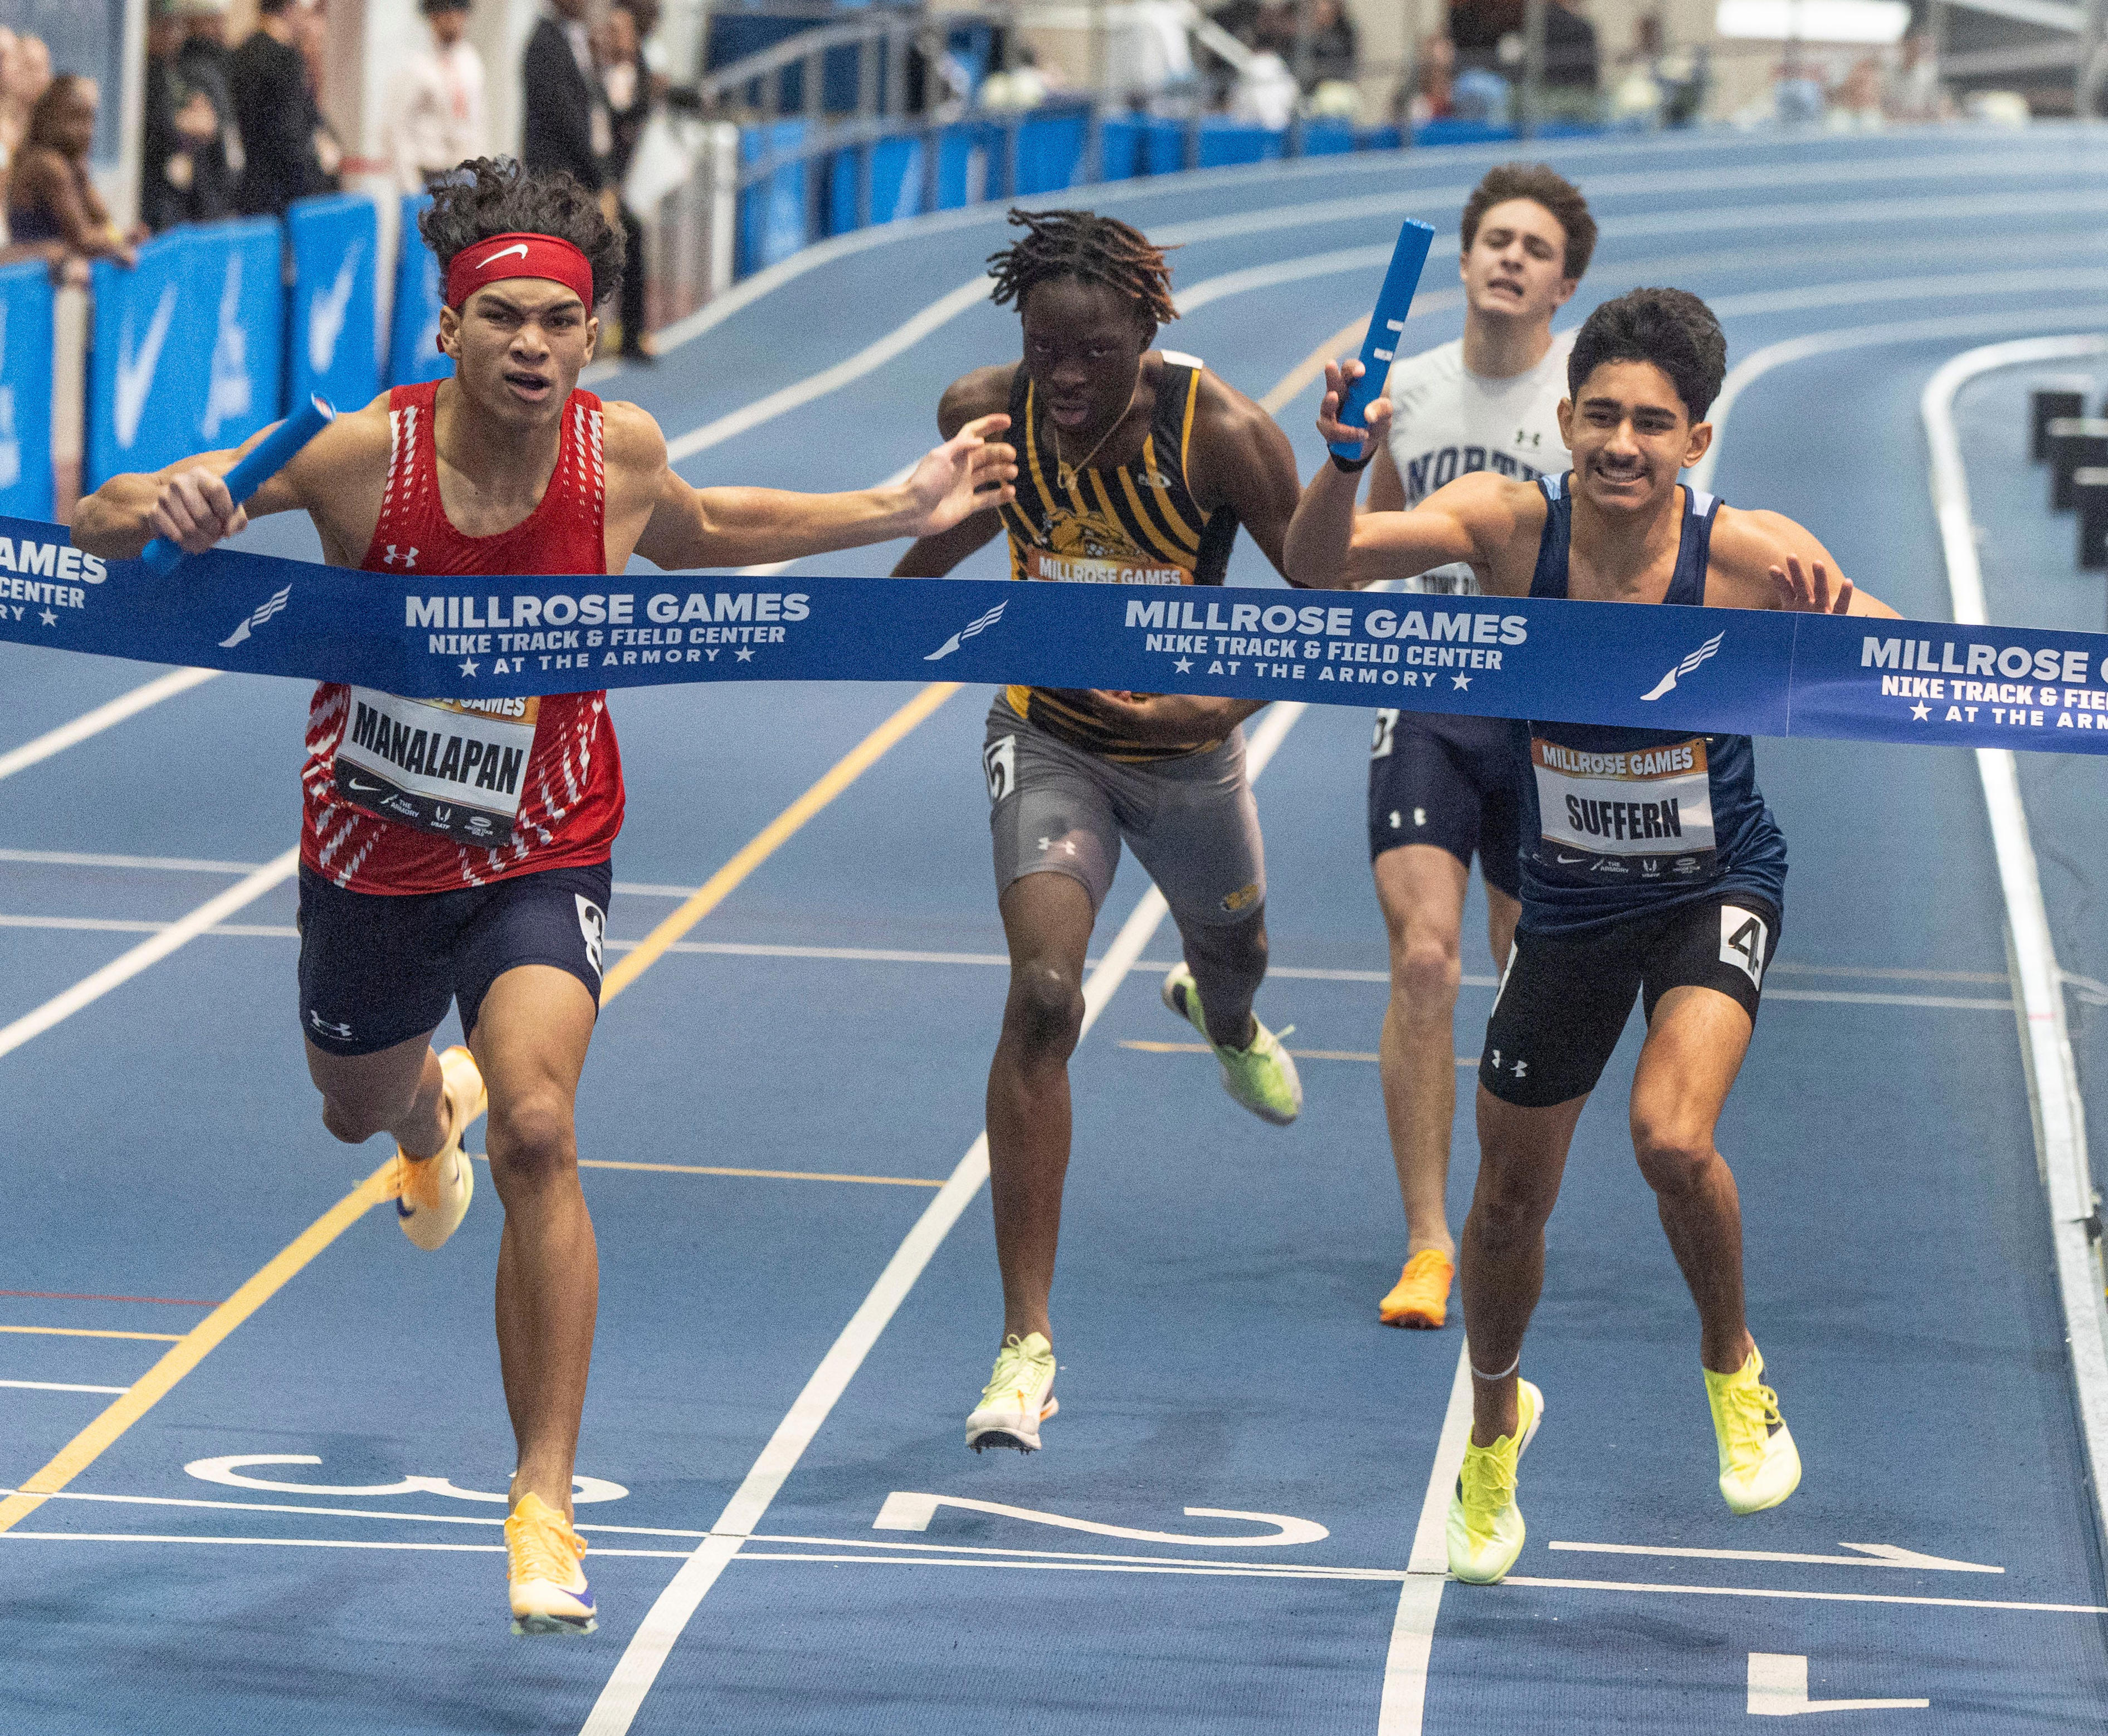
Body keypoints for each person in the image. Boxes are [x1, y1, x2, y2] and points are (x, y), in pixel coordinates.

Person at [71, 158, 1016, 1635]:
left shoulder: (614, 453)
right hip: (372, 857)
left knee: (540, 1126)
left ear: (588, 336)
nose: (531, 343)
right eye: (501, 317)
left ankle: (543, 1499)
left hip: (543, 841)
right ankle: (418, 1116)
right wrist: (174, 499)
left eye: (558, 321)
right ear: (448, 329)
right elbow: (99, 515)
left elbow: (707, 526)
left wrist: (895, 503)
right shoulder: (357, 456)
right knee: (355, 1103)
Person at [1285, 286, 1900, 1584]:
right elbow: (1318, 567)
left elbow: (1916, 669)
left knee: (1670, 1137)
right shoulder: (1508, 528)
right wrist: (1340, 465)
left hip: (1711, 883)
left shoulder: (1749, 554)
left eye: (1652, 424)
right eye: (1601, 416)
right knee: (1508, 1202)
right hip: (1565, 900)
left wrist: (1823, 639)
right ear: (1563, 420)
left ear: (1696, 440)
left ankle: (1731, 1364)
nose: (1622, 443)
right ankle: (1493, 1423)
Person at [892, 208, 1305, 1455]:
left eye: (1095, 353)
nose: (1065, 379)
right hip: (1047, 738)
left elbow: (1327, 610)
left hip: (1185, 754)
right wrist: (900, 593)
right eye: (1043, 351)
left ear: (1147, 333)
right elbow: (959, 534)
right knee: (1041, 995)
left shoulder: (1223, 435)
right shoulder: (988, 411)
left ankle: (1222, 1018)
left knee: (1235, 957)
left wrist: (1212, 703)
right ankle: (1025, 1343)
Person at [1356, 164, 1593, 1333]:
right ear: (1459, 261)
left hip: (1539, 713)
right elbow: (1361, 541)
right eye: (1494, 239)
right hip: (1425, 698)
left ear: (1563, 285)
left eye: (1533, 248)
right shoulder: (1403, 393)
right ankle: (1426, 1243)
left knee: (1521, 969)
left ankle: (1507, 1211)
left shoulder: (1590, 404)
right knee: (1422, 961)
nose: (1508, 258)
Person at [8, 77, 141, 263]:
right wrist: (119, 239)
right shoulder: (49, 164)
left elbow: (103, 222)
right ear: (51, 119)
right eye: (75, 118)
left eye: (90, 119)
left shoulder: (71, 162)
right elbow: (83, 239)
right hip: (26, 275)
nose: (87, 130)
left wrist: (117, 236)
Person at [228, 0, 340, 216]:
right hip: (285, 194)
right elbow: (292, 135)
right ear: (290, 9)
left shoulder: (241, 53)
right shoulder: (286, 60)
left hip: (250, 189)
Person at [143, 0, 235, 231]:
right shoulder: (145, 73)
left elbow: (208, 122)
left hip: (189, 193)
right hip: (155, 191)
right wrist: (184, 123)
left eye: (176, 27)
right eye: (164, 27)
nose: (173, 35)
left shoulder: (179, 69)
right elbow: (158, 123)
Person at [386, 0, 486, 194]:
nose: (455, 21)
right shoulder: (417, 64)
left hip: (466, 171)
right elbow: (397, 126)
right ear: (433, 17)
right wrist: (409, 186)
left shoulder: (470, 60)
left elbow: (478, 120)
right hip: (431, 173)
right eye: (448, 14)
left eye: (460, 14)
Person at [600, 3, 651, 360]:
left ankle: (632, 333)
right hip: (602, 181)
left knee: (634, 252)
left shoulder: (643, 74)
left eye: (624, 32)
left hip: (631, 181)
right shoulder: (596, 73)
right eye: (613, 31)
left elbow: (641, 124)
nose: (618, 39)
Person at [521, 0, 609, 201]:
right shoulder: (545, 41)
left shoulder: (577, 37)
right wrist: (597, 173)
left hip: (577, 175)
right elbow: (565, 116)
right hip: (556, 177)